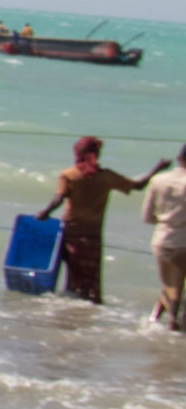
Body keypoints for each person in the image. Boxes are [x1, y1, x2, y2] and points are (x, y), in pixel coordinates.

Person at [40, 137, 169, 305]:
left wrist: (45, 212)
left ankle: (70, 308)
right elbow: (138, 186)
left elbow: (58, 199)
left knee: (73, 275)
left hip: (71, 232)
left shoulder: (69, 175)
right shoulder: (107, 177)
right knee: (91, 277)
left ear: (77, 153)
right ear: (97, 154)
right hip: (93, 235)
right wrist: (157, 169)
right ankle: (88, 307)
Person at [144, 147, 186, 332]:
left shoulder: (158, 180)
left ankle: (154, 320)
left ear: (179, 158)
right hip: (183, 240)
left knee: (168, 283)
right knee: (175, 285)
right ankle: (173, 324)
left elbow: (147, 217)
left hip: (161, 239)